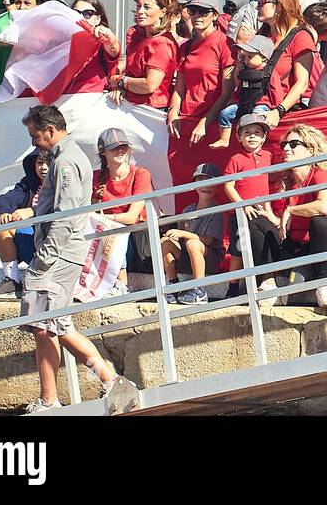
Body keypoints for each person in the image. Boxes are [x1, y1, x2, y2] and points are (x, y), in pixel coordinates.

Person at [18, 104, 136, 414]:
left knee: (49, 324)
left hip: (55, 258)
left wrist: (43, 259)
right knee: (50, 325)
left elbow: (65, 216)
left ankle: (64, 397)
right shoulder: (65, 159)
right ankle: (98, 386)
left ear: (50, 131)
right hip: (60, 254)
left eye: (34, 135)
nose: (33, 142)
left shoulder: (66, 162)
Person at [276, 125, 327, 310]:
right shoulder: (288, 184)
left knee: (318, 220)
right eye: (283, 144)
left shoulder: (320, 175)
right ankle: (268, 282)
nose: (286, 148)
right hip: (301, 249)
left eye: (293, 144)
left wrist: (291, 210)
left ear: (310, 150)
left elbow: (323, 206)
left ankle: (322, 284)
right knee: (257, 225)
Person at [222, 113, 280, 297]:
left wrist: (269, 211)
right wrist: (242, 205)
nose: (252, 136)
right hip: (240, 214)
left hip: (262, 212)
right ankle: (232, 287)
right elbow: (228, 185)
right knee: (238, 251)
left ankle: (264, 278)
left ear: (264, 138)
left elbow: (267, 187)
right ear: (239, 137)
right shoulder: (236, 159)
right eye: (247, 132)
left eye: (257, 132)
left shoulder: (268, 156)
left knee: (265, 241)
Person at [167, 0, 235, 147]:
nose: (197, 15)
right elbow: (179, 88)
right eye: (192, 10)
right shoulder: (186, 46)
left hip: (210, 124)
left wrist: (205, 122)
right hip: (184, 121)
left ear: (215, 15)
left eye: (203, 11)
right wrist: (173, 112)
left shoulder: (225, 43)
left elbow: (227, 92)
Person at [0, 149, 53, 300]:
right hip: (32, 242)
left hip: (54, 248)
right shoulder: (28, 184)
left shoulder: (63, 185)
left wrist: (32, 211)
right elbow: (6, 199)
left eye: (49, 163)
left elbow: (62, 207)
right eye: (40, 163)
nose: (44, 167)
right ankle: (13, 281)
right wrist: (4, 213)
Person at [159, 164, 227, 306]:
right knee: (166, 242)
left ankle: (199, 290)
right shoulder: (188, 209)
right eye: (201, 181)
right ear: (194, 185)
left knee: (193, 243)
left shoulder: (217, 211)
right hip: (187, 257)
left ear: (218, 187)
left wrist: (183, 233)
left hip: (210, 260)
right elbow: (180, 238)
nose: (206, 186)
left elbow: (208, 241)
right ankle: (173, 287)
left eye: (210, 181)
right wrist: (173, 236)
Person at [92, 128, 154, 282]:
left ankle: (122, 284)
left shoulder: (141, 174)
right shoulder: (94, 177)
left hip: (137, 239)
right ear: (103, 152)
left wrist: (104, 218)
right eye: (114, 147)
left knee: (115, 233)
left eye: (124, 147)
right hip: (106, 236)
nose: (120, 151)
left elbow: (132, 217)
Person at [254, 0, 315, 119]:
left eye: (262, 2)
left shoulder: (301, 37)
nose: (257, 6)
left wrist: (278, 112)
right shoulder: (261, 36)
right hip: (255, 105)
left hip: (281, 114)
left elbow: (302, 83)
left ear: (279, 6)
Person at [113, 0, 178, 109]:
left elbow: (149, 85)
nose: (140, 12)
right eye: (138, 7)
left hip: (151, 110)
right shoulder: (137, 36)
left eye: (147, 7)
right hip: (131, 105)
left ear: (163, 12)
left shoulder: (162, 43)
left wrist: (121, 81)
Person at [211, 36, 276, 148]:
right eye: (244, 57)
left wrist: (275, 108)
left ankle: (256, 143)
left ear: (264, 57)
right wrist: (234, 100)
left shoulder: (269, 73)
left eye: (250, 56)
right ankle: (224, 139)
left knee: (255, 119)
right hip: (243, 103)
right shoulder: (244, 72)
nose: (246, 60)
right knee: (225, 113)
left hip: (261, 104)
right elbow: (241, 89)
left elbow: (276, 92)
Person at [64, 0, 122, 94]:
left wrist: (108, 37)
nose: (81, 17)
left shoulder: (102, 42)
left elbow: (113, 48)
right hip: (61, 103)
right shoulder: (63, 43)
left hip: (92, 103)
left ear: (98, 19)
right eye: (76, 13)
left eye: (87, 14)